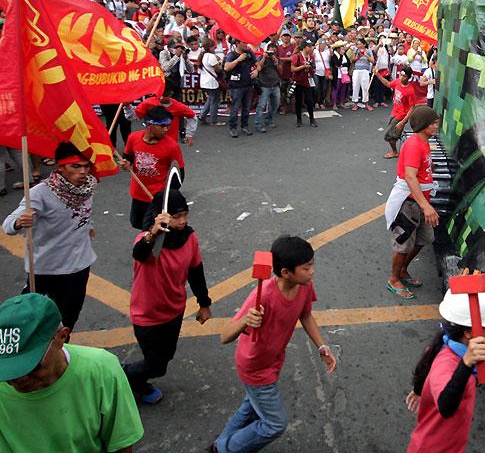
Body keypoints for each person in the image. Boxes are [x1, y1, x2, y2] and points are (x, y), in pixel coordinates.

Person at [0, 293, 143, 453]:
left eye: (30, 366)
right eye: (5, 369)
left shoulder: (102, 371)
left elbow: (121, 444)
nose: (17, 379)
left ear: (61, 337)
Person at [214, 235, 337, 453]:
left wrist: (321, 346)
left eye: (312, 265)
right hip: (254, 367)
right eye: (306, 268)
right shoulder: (263, 297)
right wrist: (245, 320)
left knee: (251, 407)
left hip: (274, 360)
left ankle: (221, 443)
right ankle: (224, 449)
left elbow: (306, 314)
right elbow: (224, 336)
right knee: (274, 424)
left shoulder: (305, 285)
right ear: (285, 273)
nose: (312, 272)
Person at [123, 189, 211, 404]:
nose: (182, 221)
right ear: (161, 215)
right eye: (176, 216)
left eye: (185, 214)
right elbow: (139, 253)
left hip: (174, 309)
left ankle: (137, 382)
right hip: (147, 313)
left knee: (165, 357)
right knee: (156, 365)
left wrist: (204, 303)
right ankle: (121, 374)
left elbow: (195, 271)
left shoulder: (189, 238)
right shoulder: (147, 239)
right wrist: (153, 233)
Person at [1, 142, 98, 331]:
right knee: (36, 322)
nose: (83, 172)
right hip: (46, 269)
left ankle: (60, 354)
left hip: (79, 266)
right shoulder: (40, 193)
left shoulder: (87, 189)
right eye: (76, 166)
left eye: (86, 166)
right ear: (60, 168)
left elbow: (85, 214)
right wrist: (20, 221)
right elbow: (7, 226)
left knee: (68, 320)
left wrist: (88, 226)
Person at [405, 287, 485, 453]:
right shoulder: (448, 363)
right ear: (469, 332)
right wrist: (466, 364)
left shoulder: (448, 344)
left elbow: (426, 362)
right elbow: (446, 406)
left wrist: (419, 389)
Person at [384, 106, 439, 299]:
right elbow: (410, 177)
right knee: (403, 244)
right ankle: (393, 279)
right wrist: (426, 206)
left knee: (424, 239)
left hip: (420, 202)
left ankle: (403, 271)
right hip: (408, 204)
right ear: (423, 125)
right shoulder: (415, 144)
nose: (436, 125)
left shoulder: (424, 142)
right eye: (432, 122)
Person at [120, 106, 185, 230]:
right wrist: (126, 164)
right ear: (150, 124)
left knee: (149, 227)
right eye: (162, 126)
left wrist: (165, 198)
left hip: (157, 197)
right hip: (138, 192)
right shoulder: (133, 138)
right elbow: (127, 157)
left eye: (168, 125)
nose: (166, 129)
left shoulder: (172, 146)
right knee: (136, 223)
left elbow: (179, 175)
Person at [374, 65, 418, 159]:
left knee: (389, 136)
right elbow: (388, 84)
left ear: (409, 77)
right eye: (401, 75)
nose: (402, 77)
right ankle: (399, 139)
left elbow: (412, 108)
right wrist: (377, 74)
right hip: (394, 112)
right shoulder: (398, 81)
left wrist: (403, 122)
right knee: (393, 133)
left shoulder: (410, 91)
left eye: (404, 76)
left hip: (401, 116)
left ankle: (395, 152)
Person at [224, 39, 255, 137]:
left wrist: (257, 70)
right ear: (237, 44)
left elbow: (257, 64)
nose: (246, 44)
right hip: (236, 86)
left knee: (246, 108)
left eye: (246, 42)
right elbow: (226, 68)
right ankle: (233, 128)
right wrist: (238, 60)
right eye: (244, 42)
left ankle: (244, 126)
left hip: (248, 85)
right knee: (235, 108)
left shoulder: (249, 53)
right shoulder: (231, 55)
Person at [253, 42, 282, 132]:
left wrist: (276, 62)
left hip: (275, 84)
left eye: (273, 52)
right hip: (264, 85)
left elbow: (281, 72)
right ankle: (258, 124)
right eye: (270, 52)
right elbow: (259, 68)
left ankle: (269, 119)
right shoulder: (261, 58)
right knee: (261, 105)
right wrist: (264, 57)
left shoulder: (277, 59)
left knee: (275, 104)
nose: (272, 54)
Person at [291, 40, 318, 127]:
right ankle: (299, 119)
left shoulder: (311, 57)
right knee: (298, 101)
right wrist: (303, 66)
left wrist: (310, 68)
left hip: (308, 81)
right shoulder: (297, 56)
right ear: (304, 47)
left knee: (309, 101)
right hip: (299, 81)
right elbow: (292, 69)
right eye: (309, 46)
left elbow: (314, 70)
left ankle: (312, 119)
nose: (311, 48)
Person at [199, 39, 224, 126]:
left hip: (204, 82)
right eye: (213, 46)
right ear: (209, 47)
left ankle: (202, 115)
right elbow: (218, 69)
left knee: (210, 99)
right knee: (214, 101)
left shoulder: (203, 55)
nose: (215, 48)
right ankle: (214, 120)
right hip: (211, 83)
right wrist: (221, 62)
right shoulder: (211, 56)